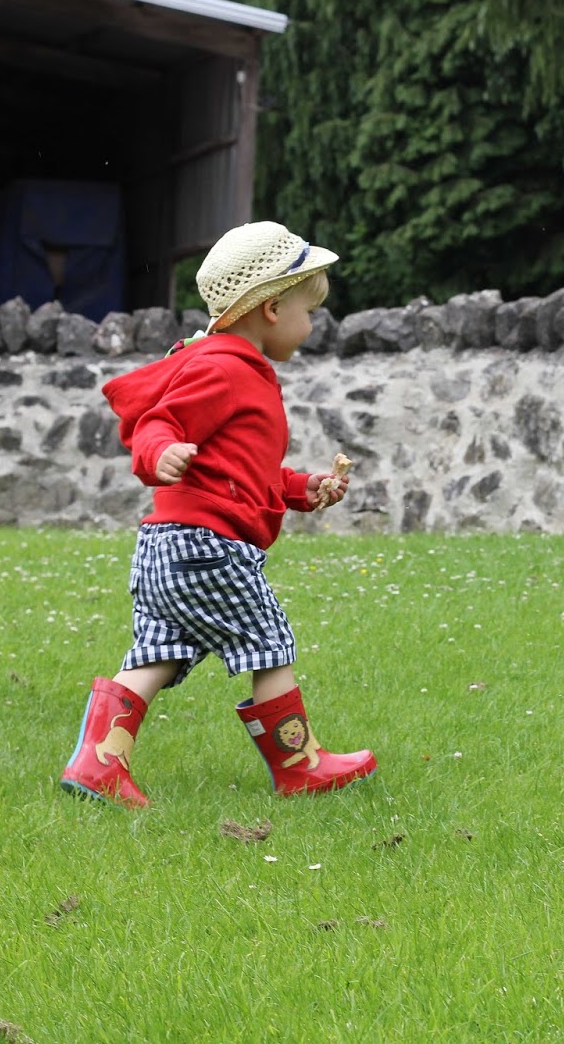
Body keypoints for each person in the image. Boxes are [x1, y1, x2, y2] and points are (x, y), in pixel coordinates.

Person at [58, 221, 376, 808]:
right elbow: (157, 423)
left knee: (158, 653)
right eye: (310, 311)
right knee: (269, 642)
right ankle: (301, 764)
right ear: (274, 309)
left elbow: (245, 473)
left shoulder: (235, 367)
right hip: (206, 546)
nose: (314, 326)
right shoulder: (225, 368)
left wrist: (308, 488)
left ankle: (98, 764)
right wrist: (161, 451)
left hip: (166, 546)